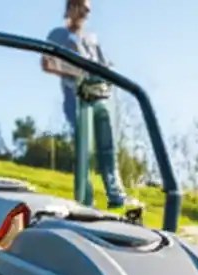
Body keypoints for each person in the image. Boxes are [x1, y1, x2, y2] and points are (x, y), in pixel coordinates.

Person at [41, 0, 136, 209]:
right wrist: (77, 72)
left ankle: (116, 195)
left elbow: (104, 64)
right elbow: (47, 64)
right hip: (76, 95)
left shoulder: (92, 38)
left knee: (108, 148)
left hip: (101, 96)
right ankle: (85, 200)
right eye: (82, 9)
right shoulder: (57, 35)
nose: (85, 14)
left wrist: (105, 72)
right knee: (85, 149)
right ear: (71, 8)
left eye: (88, 10)